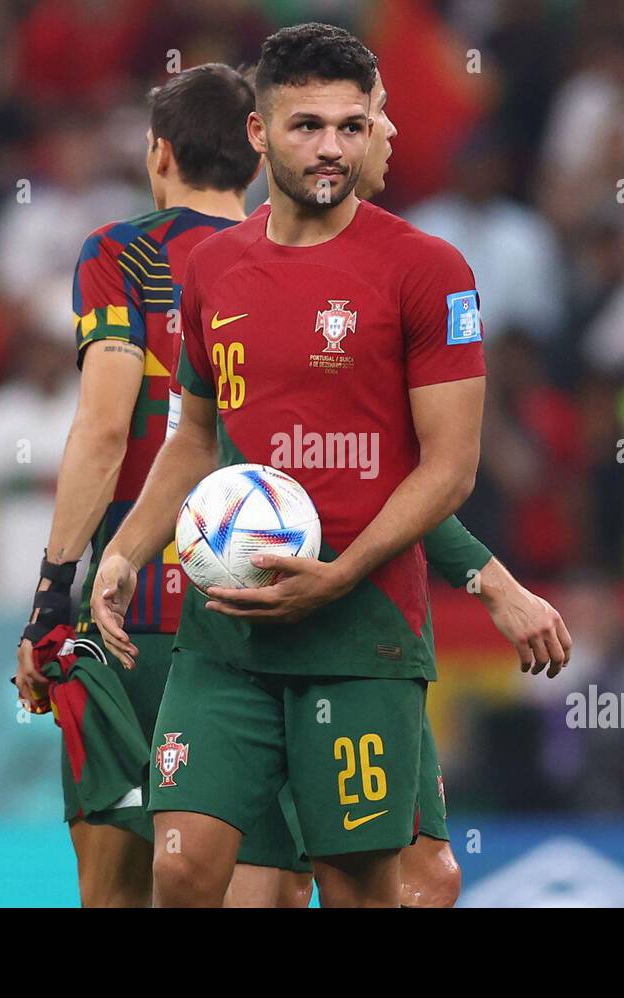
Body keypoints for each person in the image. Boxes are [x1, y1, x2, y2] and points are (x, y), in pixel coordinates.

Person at [89, 22, 491, 908]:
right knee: (183, 865)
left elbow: (452, 466)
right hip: (224, 635)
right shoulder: (214, 270)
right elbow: (194, 438)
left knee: (356, 887)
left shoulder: (429, 270)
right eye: (307, 125)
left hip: (362, 637)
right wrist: (123, 553)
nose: (332, 148)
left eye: (352, 126)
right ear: (259, 134)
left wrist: (340, 575)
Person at [240, 57, 574, 909]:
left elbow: (407, 469)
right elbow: (353, 469)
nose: (381, 136)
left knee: (405, 869)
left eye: (366, 122)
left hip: (350, 612)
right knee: (312, 874)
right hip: (292, 614)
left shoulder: (402, 263)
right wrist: (497, 584)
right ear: (264, 136)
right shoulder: (246, 272)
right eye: (355, 122)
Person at [13, 64, 323, 907]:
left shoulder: (121, 254)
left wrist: (52, 596)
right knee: (264, 886)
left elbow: (106, 429)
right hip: (265, 607)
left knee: (118, 888)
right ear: (258, 157)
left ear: (159, 154)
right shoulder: (298, 256)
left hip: (131, 615)